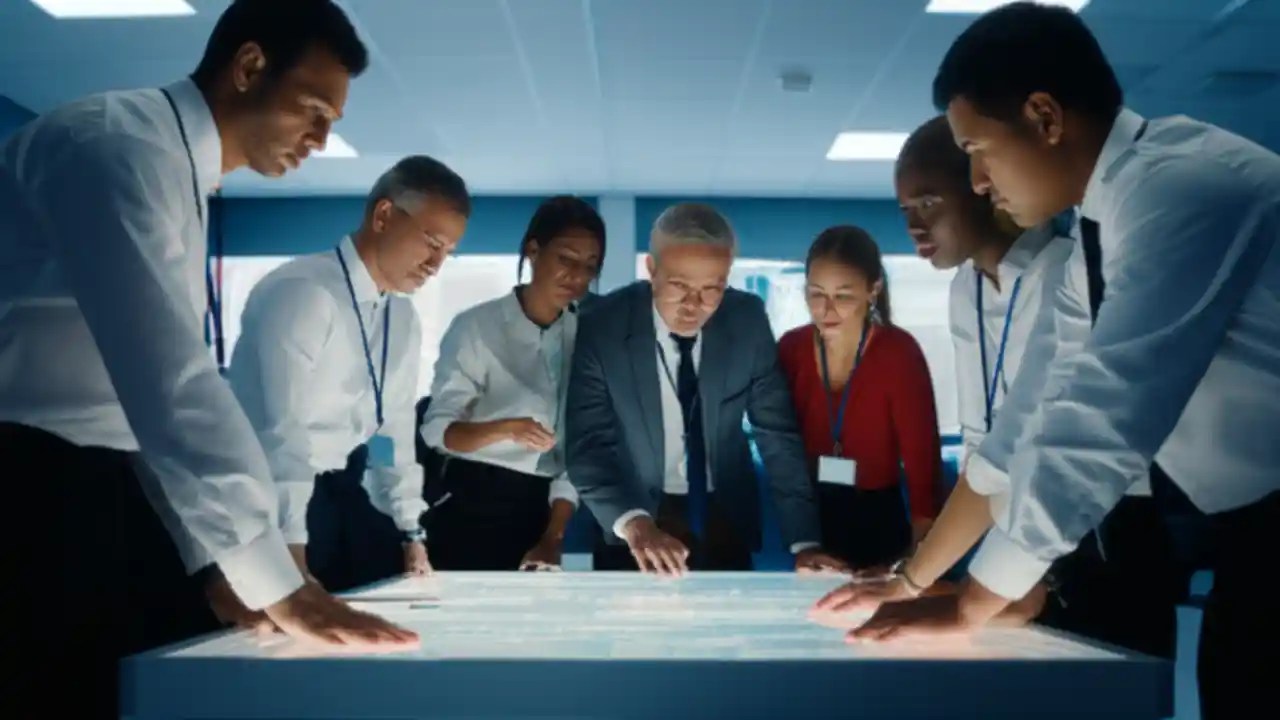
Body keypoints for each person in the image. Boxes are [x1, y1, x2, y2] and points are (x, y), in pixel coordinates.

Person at [839, 5, 1279, 719]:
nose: (977, 180)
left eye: (979, 149)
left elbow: (1107, 417)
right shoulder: (1101, 232)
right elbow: (1026, 421)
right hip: (1254, 534)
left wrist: (975, 603)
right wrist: (914, 581)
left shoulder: (1182, 190)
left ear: (1045, 117)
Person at [0, 0, 418, 715]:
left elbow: (139, 410)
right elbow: (169, 386)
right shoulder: (117, 148)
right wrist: (275, 579)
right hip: (27, 478)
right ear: (250, 67)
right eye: (312, 109)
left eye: (332, 124)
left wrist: (219, 566)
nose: (320, 138)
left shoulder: (182, 173)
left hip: (101, 477)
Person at [815, 115, 1181, 659]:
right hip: (1015, 519)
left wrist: (956, 587)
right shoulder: (967, 288)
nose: (915, 225)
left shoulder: (1061, 270)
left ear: (983, 185)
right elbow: (989, 447)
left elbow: (1048, 446)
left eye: (930, 203)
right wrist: (913, 578)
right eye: (906, 210)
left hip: (1102, 522)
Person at [227, 155, 470, 592]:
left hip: (348, 495)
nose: (436, 264)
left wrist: (410, 530)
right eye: (431, 241)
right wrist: (292, 555)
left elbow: (389, 431)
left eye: (448, 252)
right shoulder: (303, 292)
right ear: (383, 215)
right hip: (276, 500)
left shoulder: (401, 315)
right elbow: (281, 436)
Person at [565, 202, 847, 575]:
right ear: (651, 269)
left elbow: (776, 434)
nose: (693, 306)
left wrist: (805, 542)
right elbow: (588, 446)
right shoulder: (603, 324)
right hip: (635, 517)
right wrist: (636, 525)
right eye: (679, 286)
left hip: (724, 515)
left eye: (712, 289)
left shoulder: (746, 319)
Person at [422, 195, 605, 571]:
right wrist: (507, 428)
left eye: (590, 266)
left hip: (544, 508)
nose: (578, 277)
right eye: (566, 260)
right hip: (470, 497)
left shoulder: (590, 333)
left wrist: (552, 537)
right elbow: (437, 431)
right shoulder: (476, 326)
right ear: (533, 250)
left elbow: (579, 451)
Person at [777, 226, 943, 571]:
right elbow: (778, 439)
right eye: (816, 294)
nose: (826, 309)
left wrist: (920, 554)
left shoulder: (898, 352)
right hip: (808, 514)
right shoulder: (791, 348)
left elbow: (921, 459)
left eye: (844, 295)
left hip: (877, 516)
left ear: (873, 289)